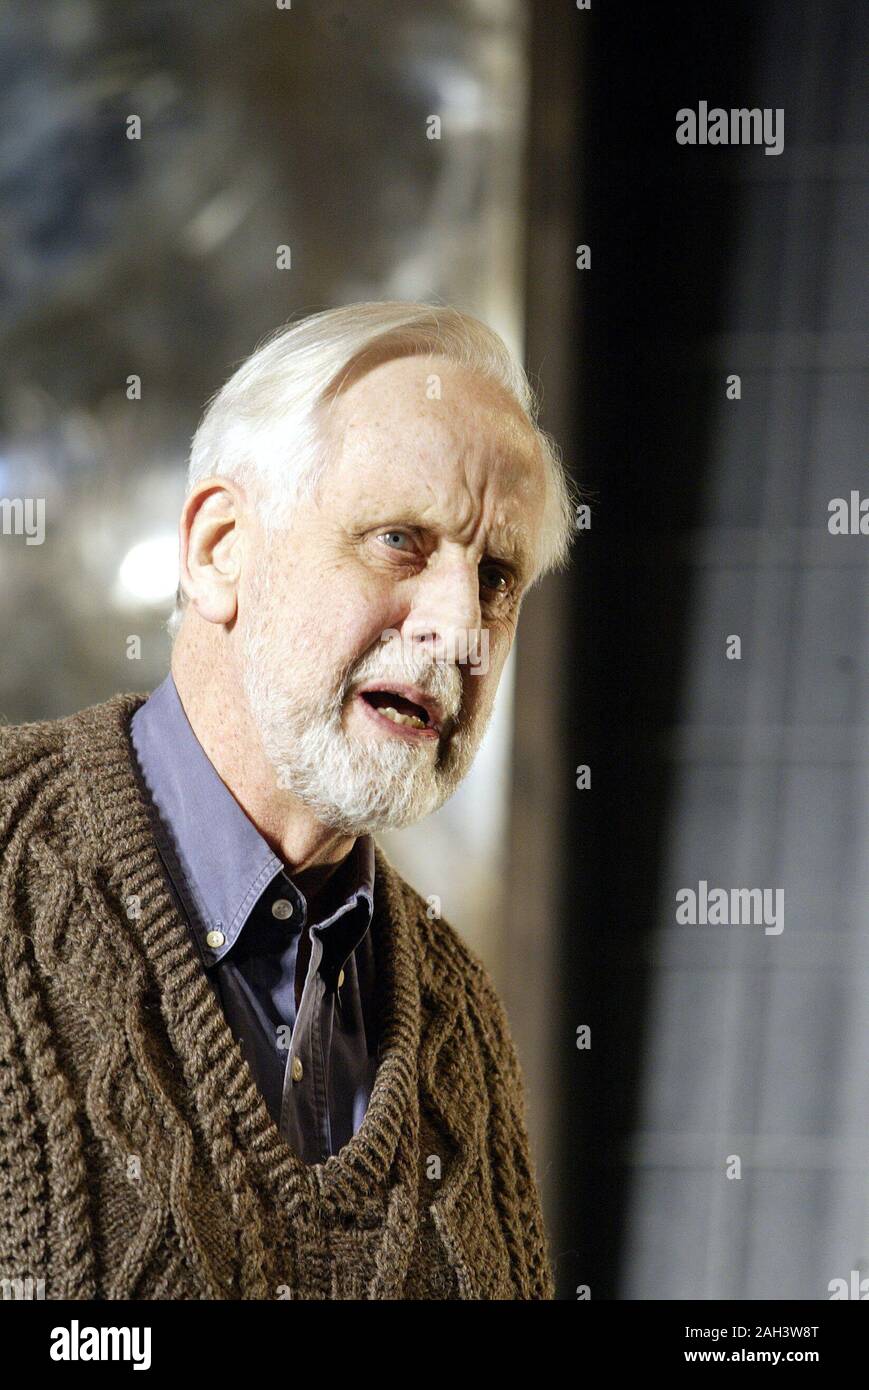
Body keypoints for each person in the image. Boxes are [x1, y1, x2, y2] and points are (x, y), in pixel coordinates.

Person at [0, 302, 574, 1300]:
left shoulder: (462, 1026)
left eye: (494, 577)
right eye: (401, 539)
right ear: (220, 547)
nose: (457, 628)